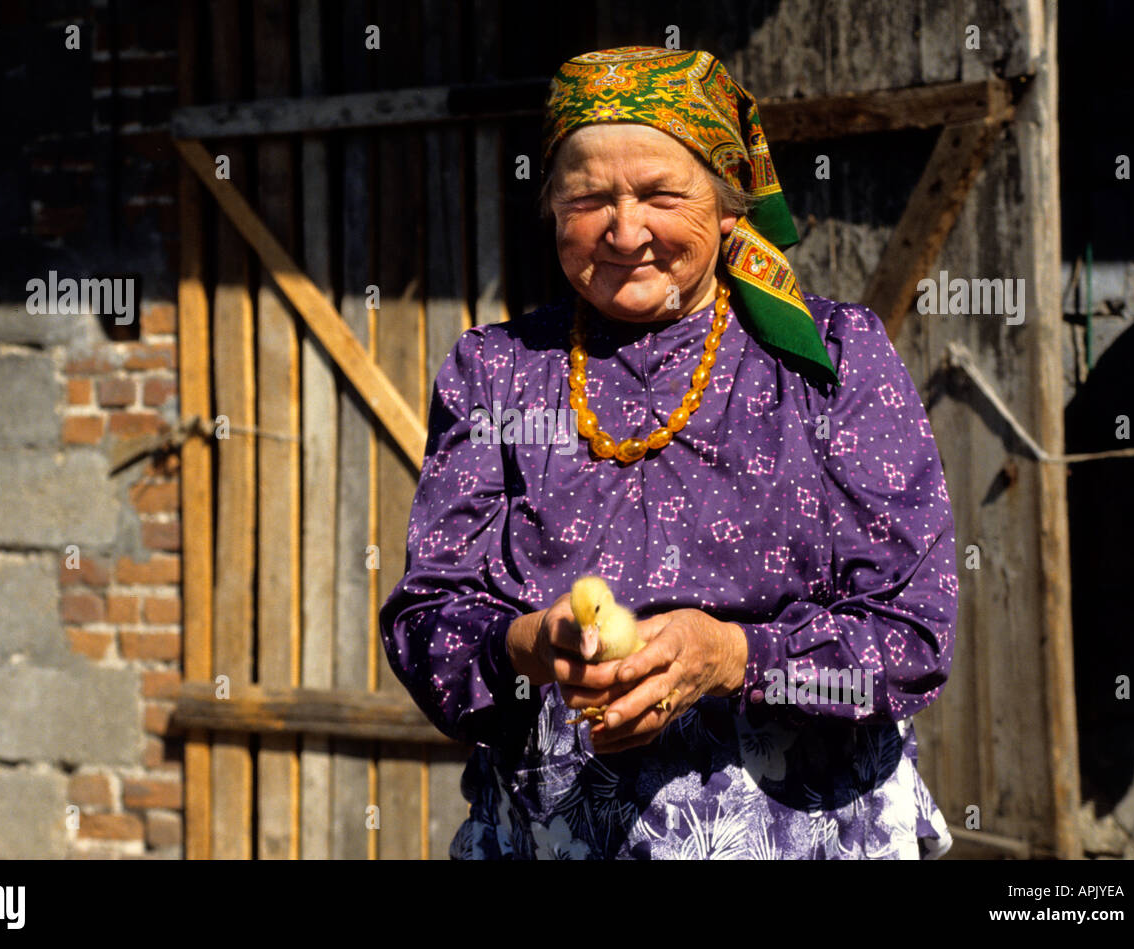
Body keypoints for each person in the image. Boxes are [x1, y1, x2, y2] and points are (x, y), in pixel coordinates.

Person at [379, 45, 957, 859]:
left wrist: (731, 656)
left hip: (811, 837)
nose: (625, 229)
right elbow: (425, 620)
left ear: (727, 208)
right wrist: (534, 648)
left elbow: (913, 638)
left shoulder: (832, 360)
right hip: (556, 836)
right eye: (588, 198)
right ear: (550, 207)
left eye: (660, 193)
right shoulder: (497, 371)